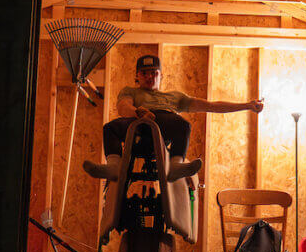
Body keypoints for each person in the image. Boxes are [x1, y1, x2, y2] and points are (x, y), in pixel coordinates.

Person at [84, 53, 264, 181]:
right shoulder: (130, 91)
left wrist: (247, 105)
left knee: (182, 124)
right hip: (137, 123)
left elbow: (210, 105)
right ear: (137, 76)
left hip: (164, 124)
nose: (149, 77)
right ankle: (114, 167)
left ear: (161, 75)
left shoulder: (174, 97)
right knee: (110, 127)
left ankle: (176, 165)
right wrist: (139, 112)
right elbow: (123, 107)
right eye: (144, 73)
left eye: (154, 73)